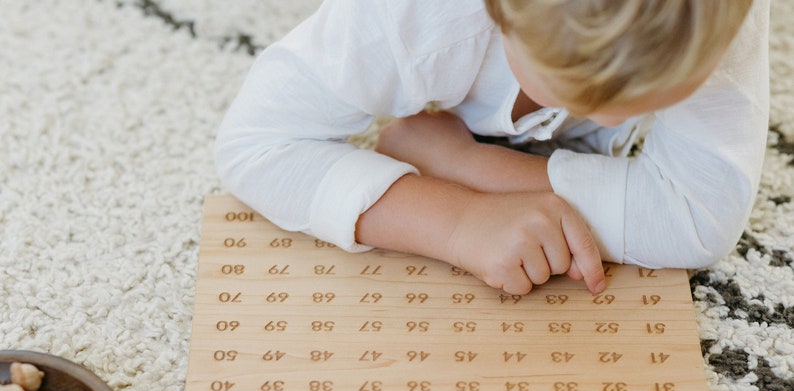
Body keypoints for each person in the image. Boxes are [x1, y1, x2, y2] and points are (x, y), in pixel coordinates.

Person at [215, 0, 769, 295]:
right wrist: (455, 221)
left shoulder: (712, 13)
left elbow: (698, 218)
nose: (611, 118)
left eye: (664, 86)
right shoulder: (409, 18)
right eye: (574, 85)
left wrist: (464, 163)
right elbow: (255, 145)